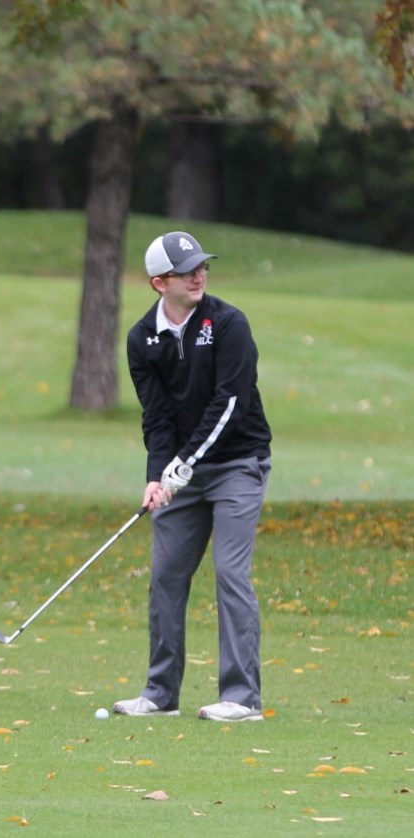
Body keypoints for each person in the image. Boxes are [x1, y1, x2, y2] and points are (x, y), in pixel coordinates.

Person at [113, 231, 272, 723]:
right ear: (160, 283)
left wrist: (184, 463)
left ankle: (242, 697)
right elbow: (156, 416)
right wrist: (157, 475)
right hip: (182, 471)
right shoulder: (143, 339)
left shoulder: (228, 324)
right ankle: (161, 694)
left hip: (238, 465)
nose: (199, 275)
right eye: (187, 271)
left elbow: (230, 402)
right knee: (166, 577)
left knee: (230, 572)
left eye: (202, 266)